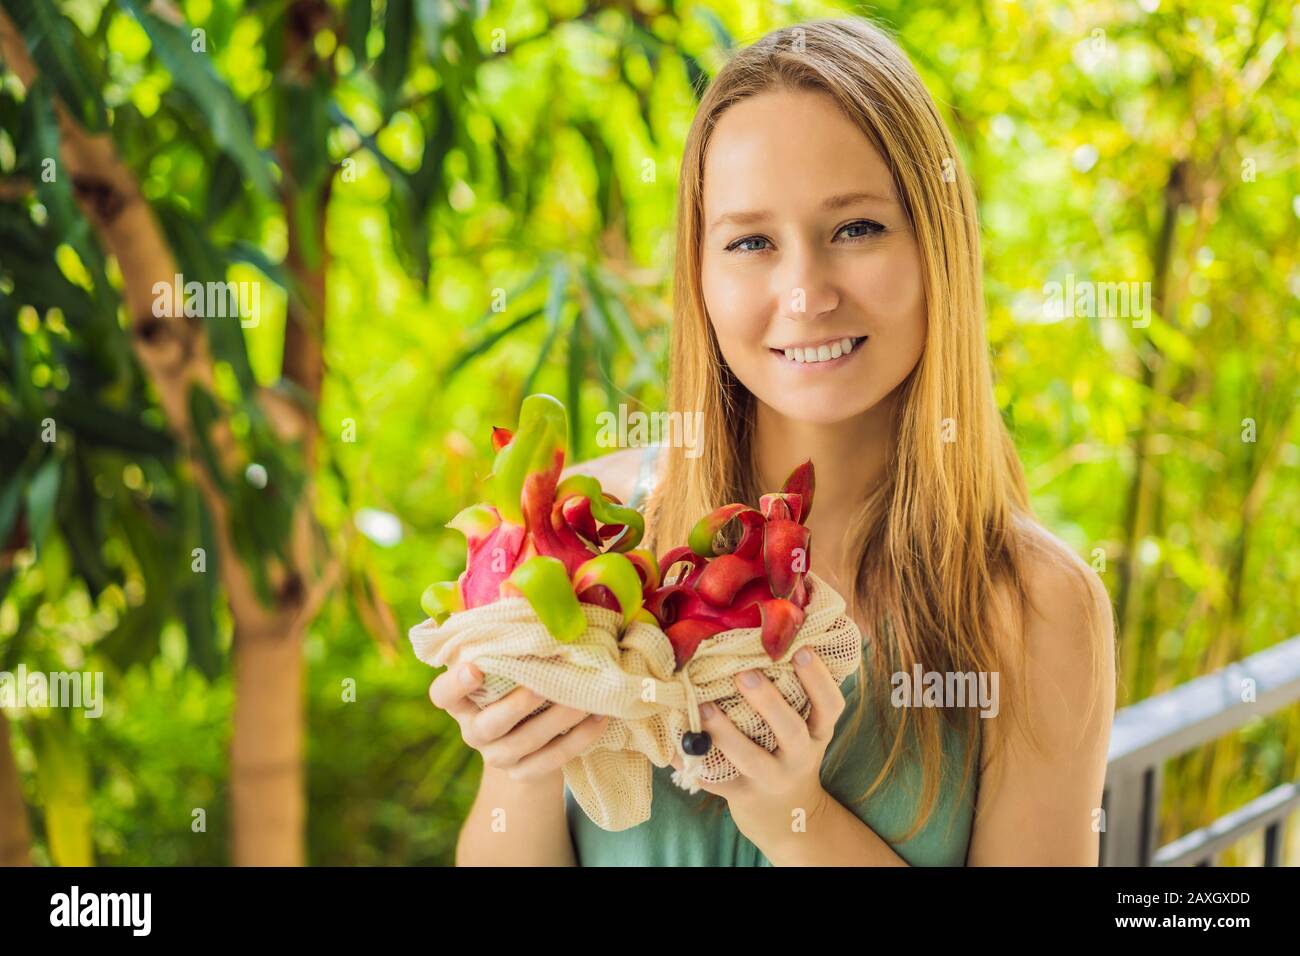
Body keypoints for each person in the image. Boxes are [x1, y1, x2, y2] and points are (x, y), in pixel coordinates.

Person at [430, 16, 1116, 866]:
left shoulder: (1036, 608)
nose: (803, 294)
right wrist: (522, 765)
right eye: (751, 241)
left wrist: (798, 820)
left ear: (937, 245)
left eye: (856, 228)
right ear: (703, 274)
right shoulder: (596, 539)